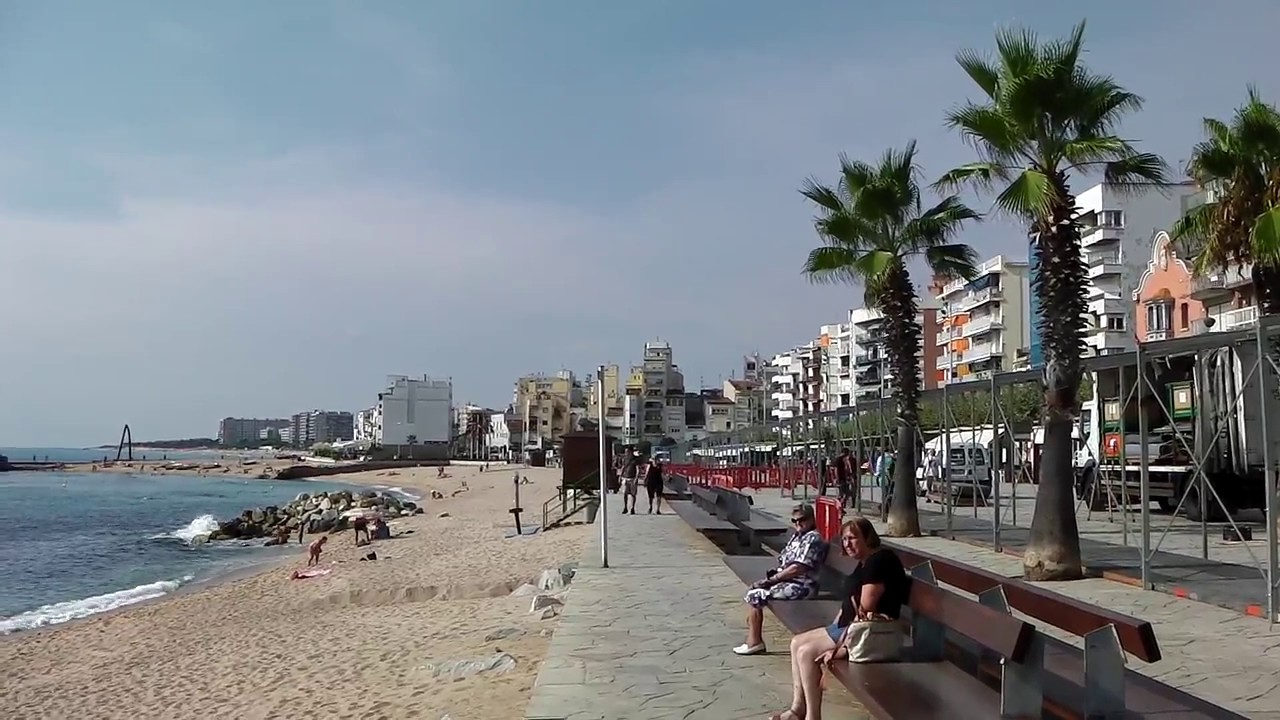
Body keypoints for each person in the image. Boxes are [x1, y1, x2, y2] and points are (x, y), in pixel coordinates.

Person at [768, 517, 909, 720]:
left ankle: (812, 716)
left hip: (869, 633)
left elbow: (866, 609)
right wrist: (834, 626)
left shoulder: (879, 562)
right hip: (851, 627)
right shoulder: (867, 561)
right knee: (796, 642)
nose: (847, 544)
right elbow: (851, 604)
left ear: (868, 538)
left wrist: (841, 647)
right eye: (844, 539)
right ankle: (797, 709)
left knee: (806, 653)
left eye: (852, 538)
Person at [734, 504, 828, 656]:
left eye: (802, 520)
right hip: (790, 581)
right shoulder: (798, 536)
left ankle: (754, 642)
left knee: (756, 594)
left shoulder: (813, 538)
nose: (798, 524)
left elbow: (798, 567)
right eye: (794, 520)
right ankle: (753, 639)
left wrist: (772, 580)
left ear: (811, 519)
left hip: (803, 585)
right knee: (755, 590)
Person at [620, 449, 641, 514]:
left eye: (627, 452)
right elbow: (623, 467)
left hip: (632, 478)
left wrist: (636, 478)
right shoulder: (625, 459)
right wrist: (620, 476)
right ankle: (625, 507)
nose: (626, 453)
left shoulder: (635, 460)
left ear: (631, 452)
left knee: (633, 494)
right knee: (625, 494)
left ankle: (632, 508)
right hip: (625, 478)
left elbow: (638, 469)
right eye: (626, 452)